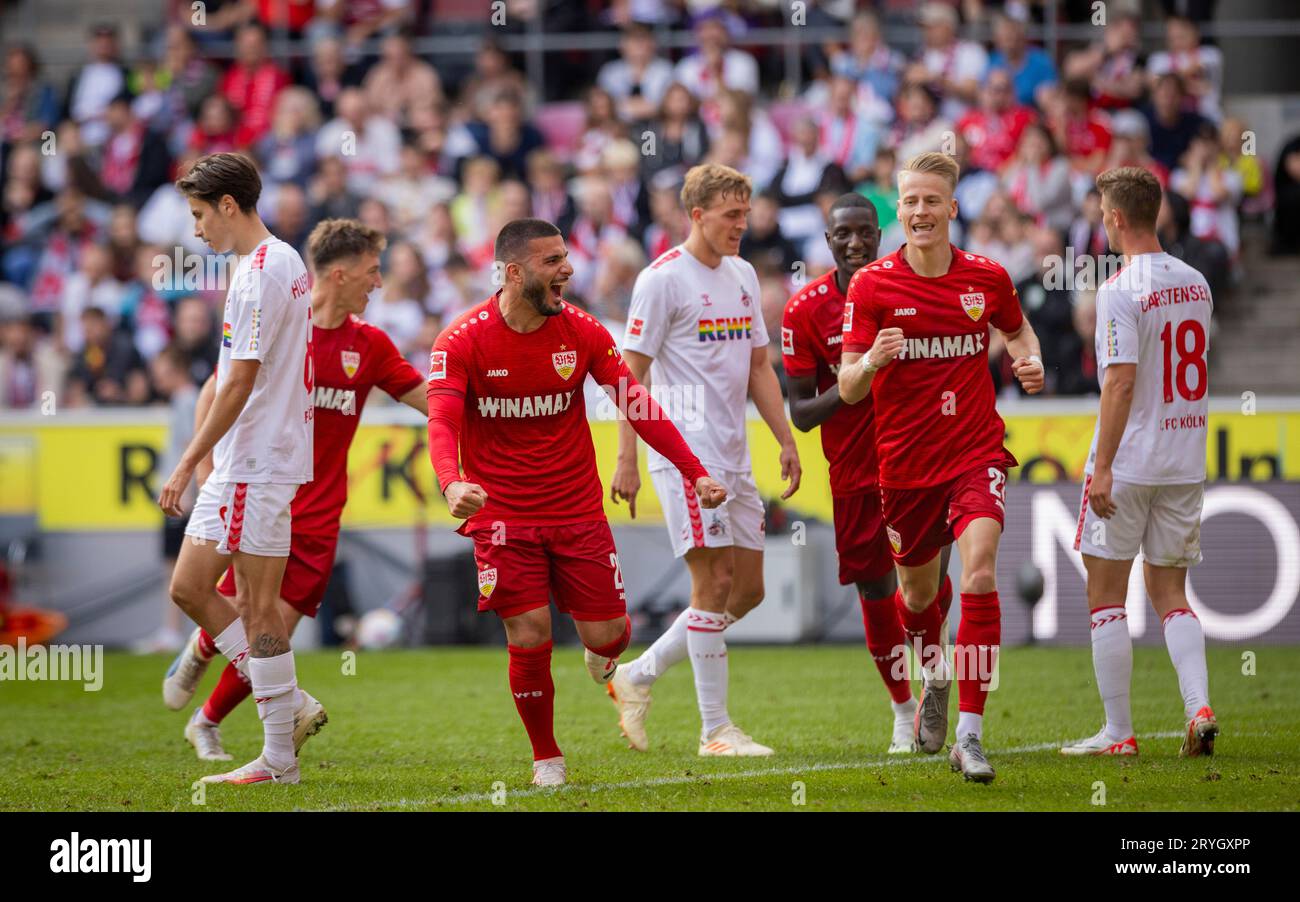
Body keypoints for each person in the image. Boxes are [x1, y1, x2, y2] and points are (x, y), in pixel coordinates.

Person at [426, 218, 726, 787]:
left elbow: (636, 403)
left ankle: (603, 658)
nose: (568, 268)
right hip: (502, 516)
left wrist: (696, 474)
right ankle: (547, 759)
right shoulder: (461, 340)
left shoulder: (584, 332)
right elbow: (440, 421)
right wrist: (451, 482)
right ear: (514, 273)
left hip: (576, 511)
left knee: (610, 634)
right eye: (552, 261)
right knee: (531, 632)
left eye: (566, 256)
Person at [167, 219, 429, 761]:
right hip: (262, 490)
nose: (378, 283)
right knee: (246, 617)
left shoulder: (370, 345)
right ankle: (248, 701)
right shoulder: (287, 322)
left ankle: (206, 719)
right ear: (340, 272)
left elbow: (428, 398)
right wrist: (204, 471)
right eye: (372, 271)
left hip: (318, 515)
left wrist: (486, 407)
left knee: (271, 628)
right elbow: (218, 388)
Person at [838, 152, 1045, 783]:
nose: (921, 212)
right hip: (903, 464)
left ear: (952, 208)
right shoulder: (870, 285)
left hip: (974, 450)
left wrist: (1028, 360)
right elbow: (847, 389)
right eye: (910, 202)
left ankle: (971, 736)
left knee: (979, 576)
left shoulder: (988, 278)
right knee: (917, 596)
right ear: (896, 211)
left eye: (932, 201)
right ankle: (934, 676)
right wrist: (871, 360)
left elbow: (1020, 332)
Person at [607, 163, 802, 757]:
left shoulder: (742, 273)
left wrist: (785, 437)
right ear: (697, 215)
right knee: (712, 581)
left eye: (746, 213)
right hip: (685, 455)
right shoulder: (662, 280)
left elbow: (759, 366)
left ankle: (637, 674)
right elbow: (628, 377)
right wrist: (626, 458)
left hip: (736, 457)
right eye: (731, 215)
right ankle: (715, 730)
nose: (742, 225)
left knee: (747, 592)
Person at [156, 152, 314, 786]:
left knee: (250, 605)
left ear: (228, 205)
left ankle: (280, 752)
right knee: (204, 592)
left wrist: (188, 459)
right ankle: (289, 708)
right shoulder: (284, 261)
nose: (197, 231)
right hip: (256, 460)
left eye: (199, 215)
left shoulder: (258, 274)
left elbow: (240, 379)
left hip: (253, 460)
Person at [782, 193, 957, 754]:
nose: (855, 243)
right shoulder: (803, 311)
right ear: (827, 240)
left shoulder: (912, 288)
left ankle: (935, 680)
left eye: (864, 233)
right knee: (878, 593)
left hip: (926, 461)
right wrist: (860, 373)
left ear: (880, 235)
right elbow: (802, 415)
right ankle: (903, 709)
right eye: (842, 235)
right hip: (855, 475)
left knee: (925, 590)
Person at [1062, 166, 1218, 758]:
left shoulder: (1119, 289)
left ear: (1116, 218)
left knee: (1105, 596)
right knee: (1171, 593)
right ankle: (1198, 707)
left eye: (1103, 212)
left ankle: (1118, 733)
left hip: (1128, 466)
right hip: (1184, 463)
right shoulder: (1197, 283)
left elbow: (1120, 383)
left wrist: (1102, 467)